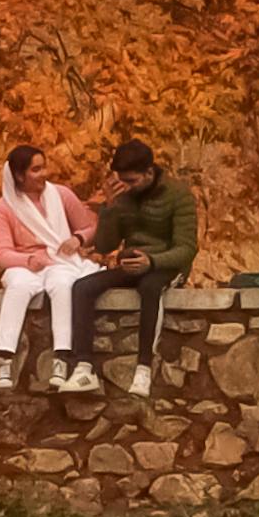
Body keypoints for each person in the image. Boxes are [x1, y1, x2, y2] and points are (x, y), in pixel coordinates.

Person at [85, 135, 197, 395]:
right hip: (132, 263)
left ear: (148, 173)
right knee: (83, 287)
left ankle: (144, 367)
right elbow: (104, 246)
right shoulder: (122, 196)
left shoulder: (179, 194)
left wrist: (153, 261)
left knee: (150, 287)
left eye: (131, 181)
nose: (126, 186)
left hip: (167, 264)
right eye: (121, 181)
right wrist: (110, 207)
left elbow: (187, 249)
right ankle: (82, 366)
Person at [0, 146, 102, 393]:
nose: (43, 174)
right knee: (18, 287)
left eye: (43, 167)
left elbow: (90, 226)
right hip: (24, 263)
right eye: (35, 169)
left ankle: (61, 358)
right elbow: (3, 254)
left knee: (62, 284)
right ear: (19, 176)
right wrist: (28, 261)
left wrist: (77, 240)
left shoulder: (61, 195)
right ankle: (4, 359)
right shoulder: (3, 208)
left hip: (59, 260)